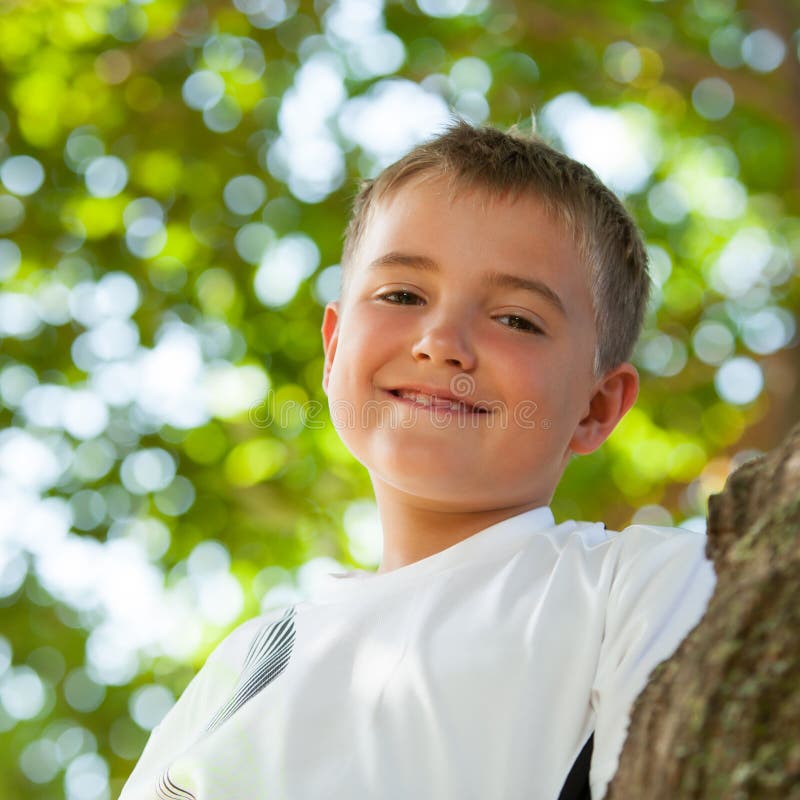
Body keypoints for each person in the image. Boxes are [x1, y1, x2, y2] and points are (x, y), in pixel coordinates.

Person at [119, 121, 716, 800]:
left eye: (517, 319)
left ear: (598, 406)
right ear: (335, 344)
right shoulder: (251, 663)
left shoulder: (643, 587)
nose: (442, 342)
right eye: (402, 295)